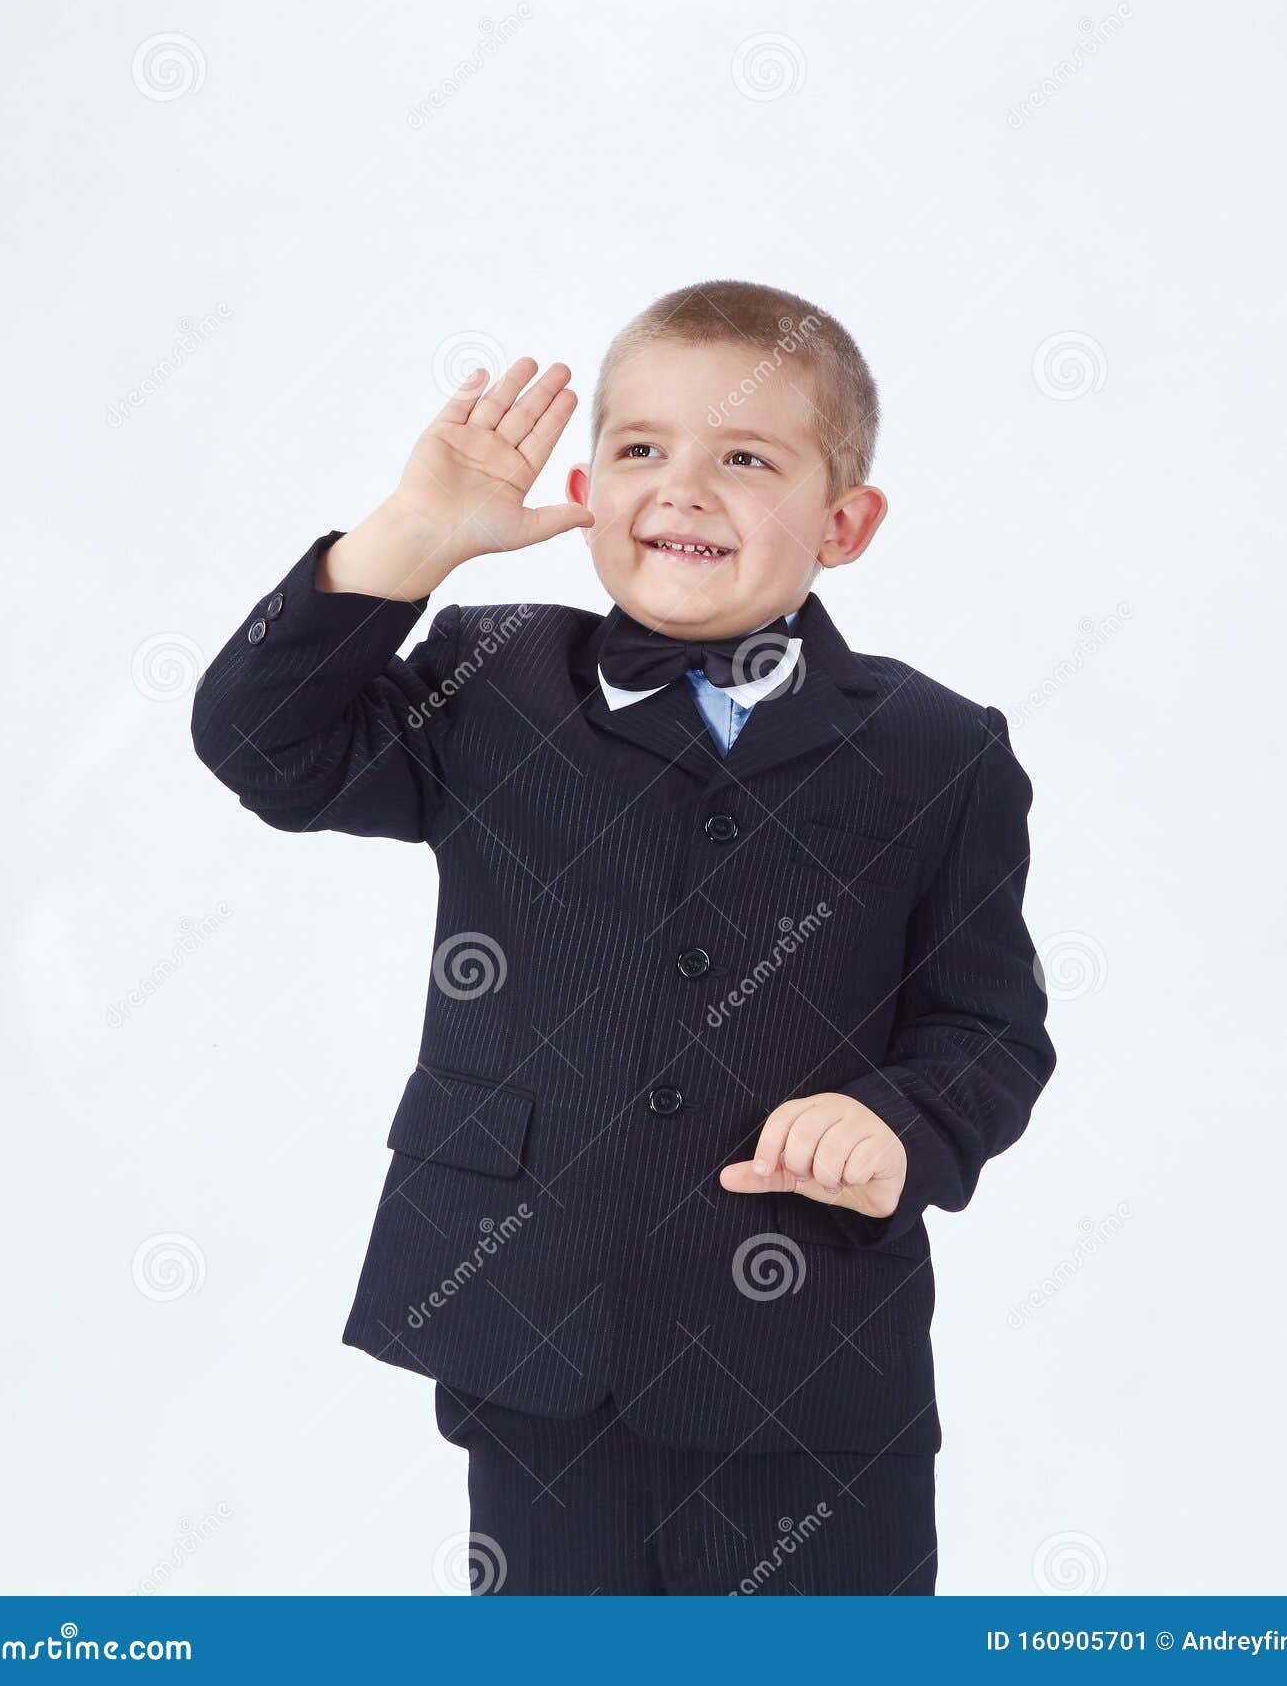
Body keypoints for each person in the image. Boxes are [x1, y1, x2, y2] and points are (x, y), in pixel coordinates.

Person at [190, 279, 1056, 1595]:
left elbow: (988, 1027)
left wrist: (896, 1122)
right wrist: (413, 539)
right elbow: (262, 743)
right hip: (536, 1329)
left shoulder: (939, 749)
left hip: (809, 1358)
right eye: (644, 448)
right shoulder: (488, 676)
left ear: (846, 523)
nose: (683, 489)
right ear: (589, 489)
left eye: (746, 459)